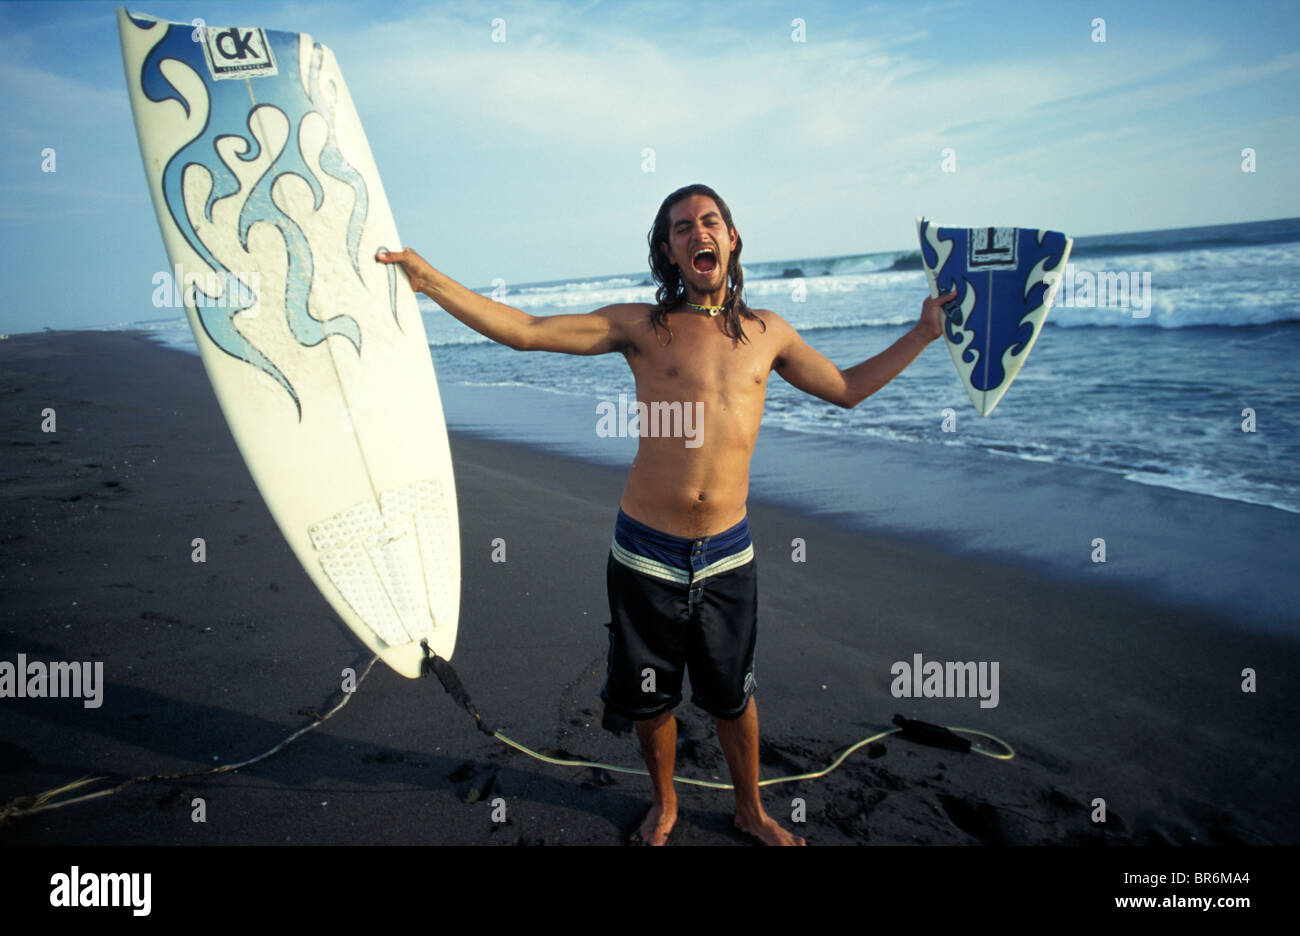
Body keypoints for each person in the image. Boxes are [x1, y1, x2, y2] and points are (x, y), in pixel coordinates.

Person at [378, 183, 951, 845]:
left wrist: (924, 332)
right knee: (651, 696)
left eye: (709, 221)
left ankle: (750, 809)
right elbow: (528, 333)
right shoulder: (642, 329)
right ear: (668, 251)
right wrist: (427, 280)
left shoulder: (770, 333)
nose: (696, 232)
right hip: (647, 551)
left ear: (731, 239)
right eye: (680, 227)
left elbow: (848, 390)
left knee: (733, 694)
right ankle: (666, 803)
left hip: (727, 553)